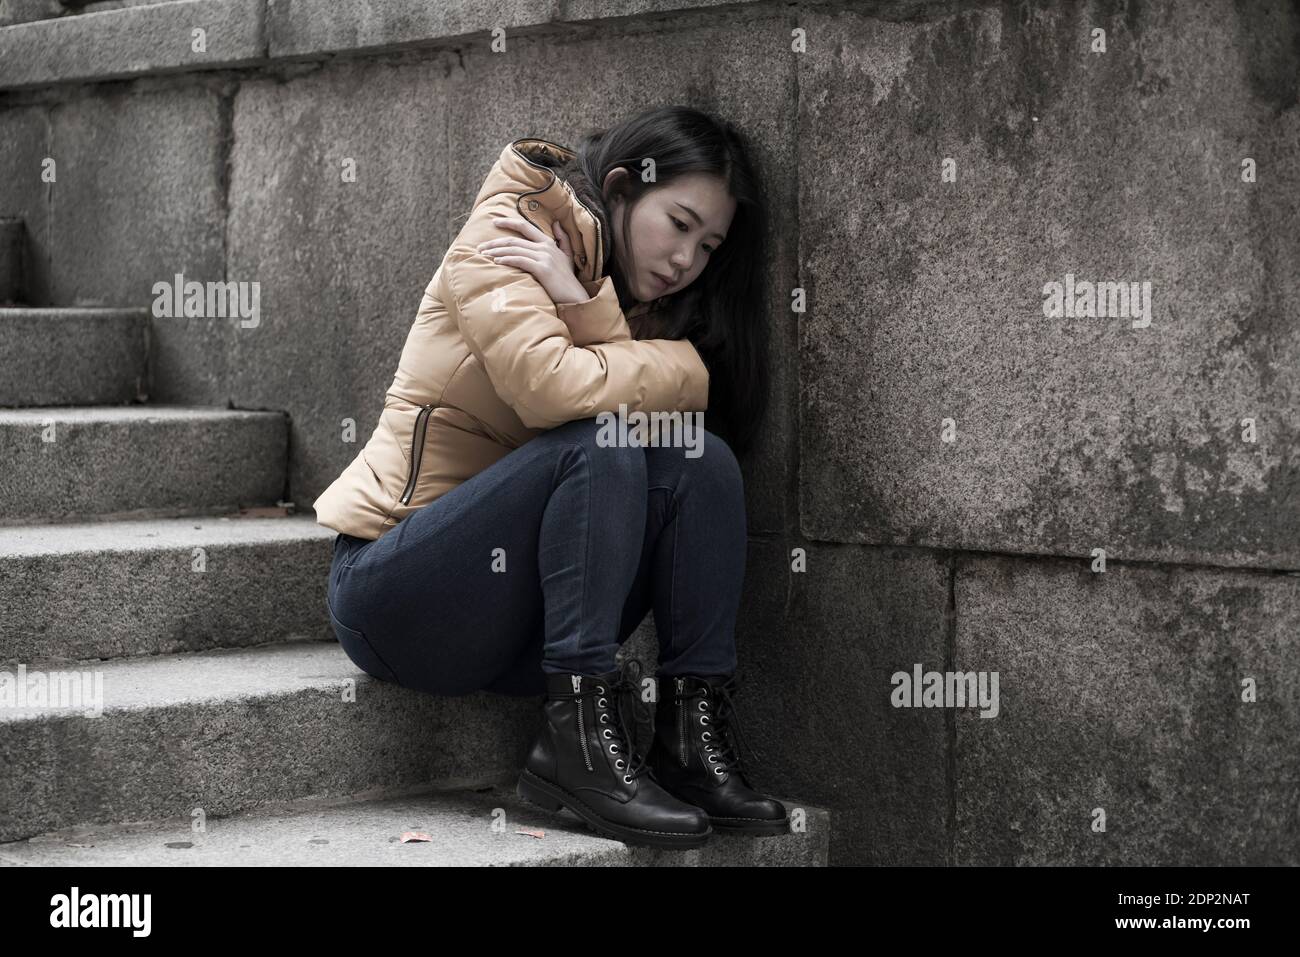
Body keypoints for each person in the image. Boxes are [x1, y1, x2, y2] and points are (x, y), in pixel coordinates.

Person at [314, 105, 786, 849]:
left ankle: (688, 738)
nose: (687, 259)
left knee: (701, 459)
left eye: (709, 244)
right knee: (599, 439)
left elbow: (671, 396)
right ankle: (579, 746)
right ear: (625, 187)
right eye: (680, 222)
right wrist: (626, 333)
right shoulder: (509, 234)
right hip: (396, 590)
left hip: (516, 623)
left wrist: (586, 307)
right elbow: (552, 390)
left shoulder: (620, 293)